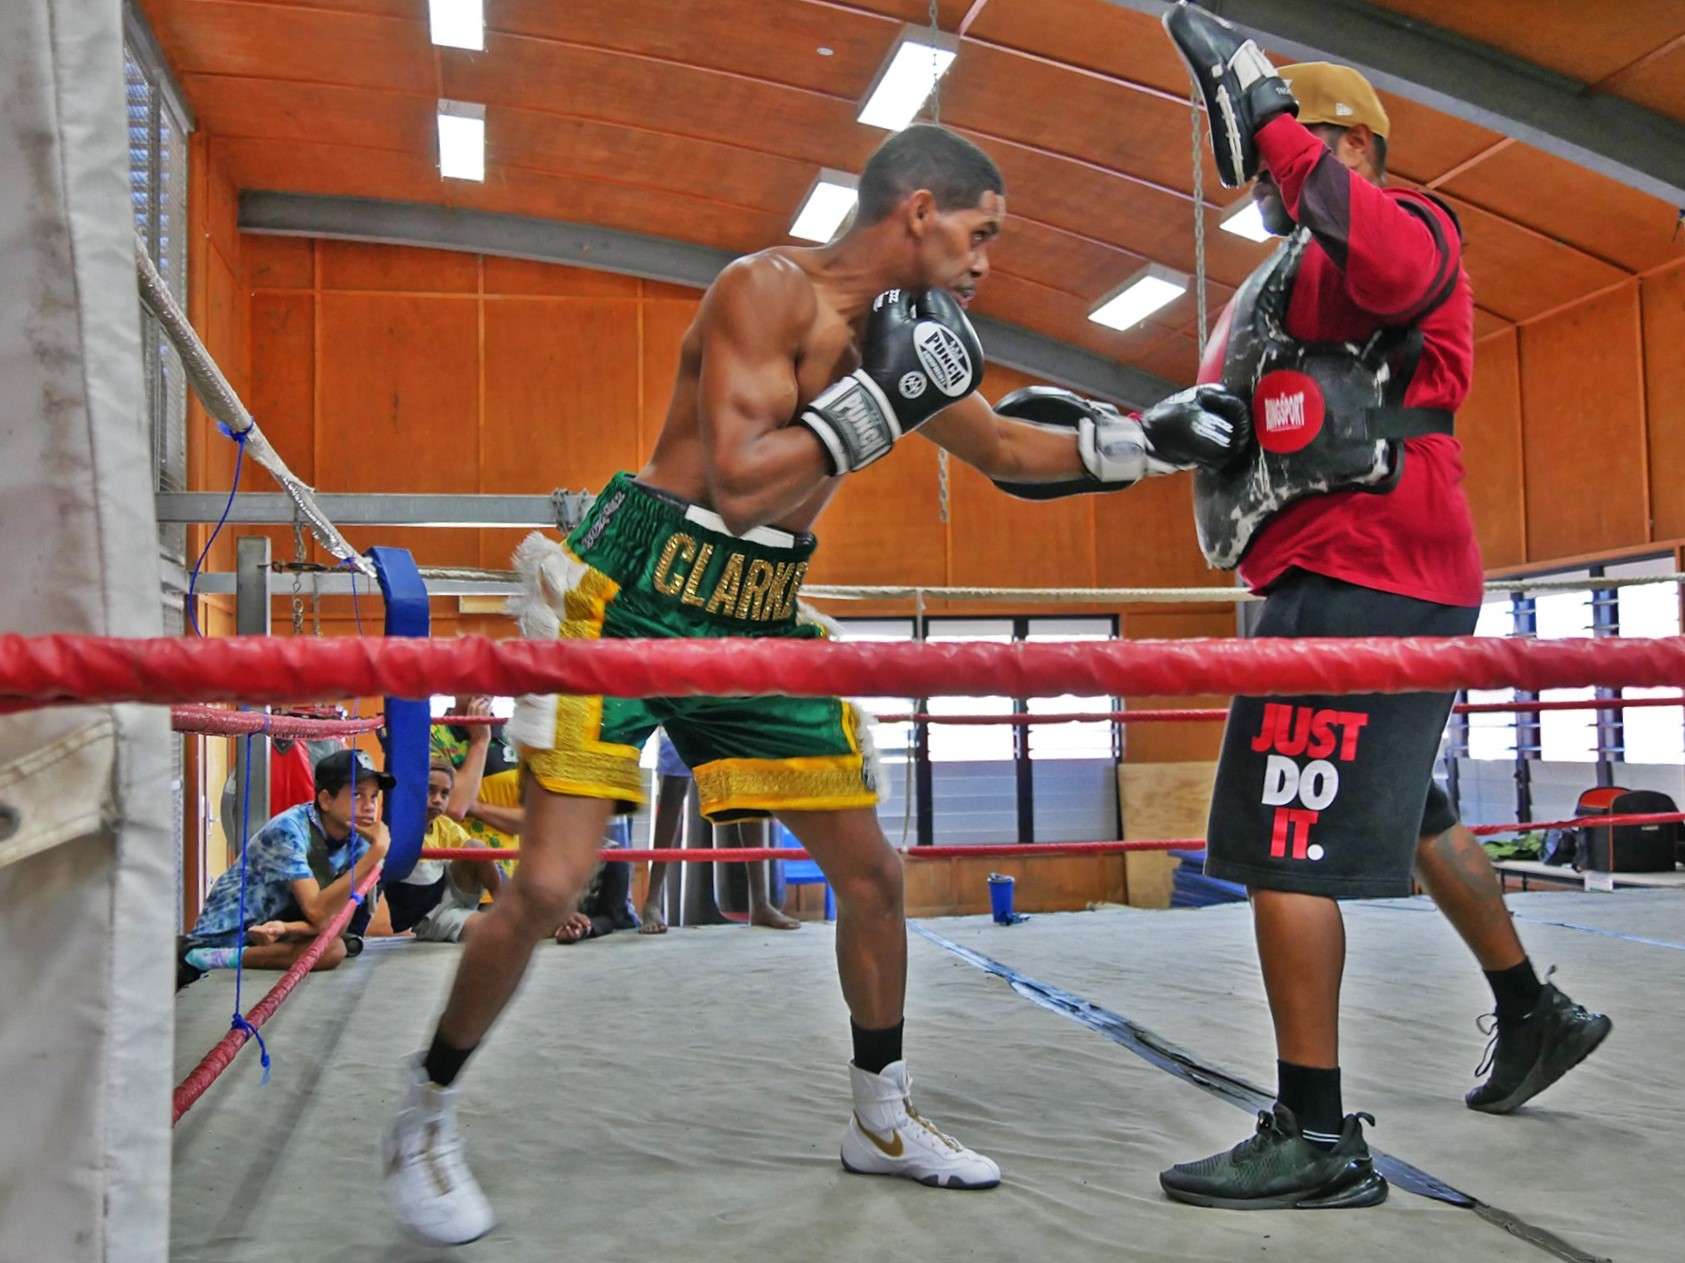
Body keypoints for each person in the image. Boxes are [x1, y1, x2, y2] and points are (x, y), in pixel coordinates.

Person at [380, 121, 1249, 1245]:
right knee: (547, 887)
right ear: (918, 208)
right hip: (633, 592)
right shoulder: (765, 290)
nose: (986, 261)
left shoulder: (918, 336)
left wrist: (1150, 442)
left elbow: (1005, 453)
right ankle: (426, 1104)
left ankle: (879, 1118)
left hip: (755, 614)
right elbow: (739, 484)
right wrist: (876, 406)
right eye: (979, 232)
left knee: (872, 874)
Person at [1153, 5, 1610, 1210]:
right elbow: (1286, 423)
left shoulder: (1401, 228)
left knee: (1278, 849)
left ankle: (1314, 1132)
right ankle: (1531, 1008)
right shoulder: (1298, 278)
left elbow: (1394, 267)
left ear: (1336, 143)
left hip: (1362, 576)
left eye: (1279, 163)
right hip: (1350, 575)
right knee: (1415, 806)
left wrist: (1270, 122)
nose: (1260, 190)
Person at [179, 749, 391, 989]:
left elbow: (336, 924)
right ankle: (204, 958)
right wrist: (375, 855)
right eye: (356, 795)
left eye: (374, 796)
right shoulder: (288, 830)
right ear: (326, 800)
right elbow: (319, 913)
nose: (369, 806)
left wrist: (286, 928)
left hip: (275, 933)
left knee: (334, 947)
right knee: (332, 951)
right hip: (227, 937)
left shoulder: (360, 840)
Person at [639, 730, 800, 932]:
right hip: (685, 707)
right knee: (673, 787)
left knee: (748, 787)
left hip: (728, 705)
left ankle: (760, 904)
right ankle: (652, 903)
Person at [383, 760, 503, 943]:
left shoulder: (444, 825)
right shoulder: (399, 831)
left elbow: (479, 859)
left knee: (476, 848)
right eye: (430, 790)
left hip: (455, 894)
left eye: (445, 794)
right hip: (432, 914)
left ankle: (510, 908)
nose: (438, 799)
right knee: (501, 930)